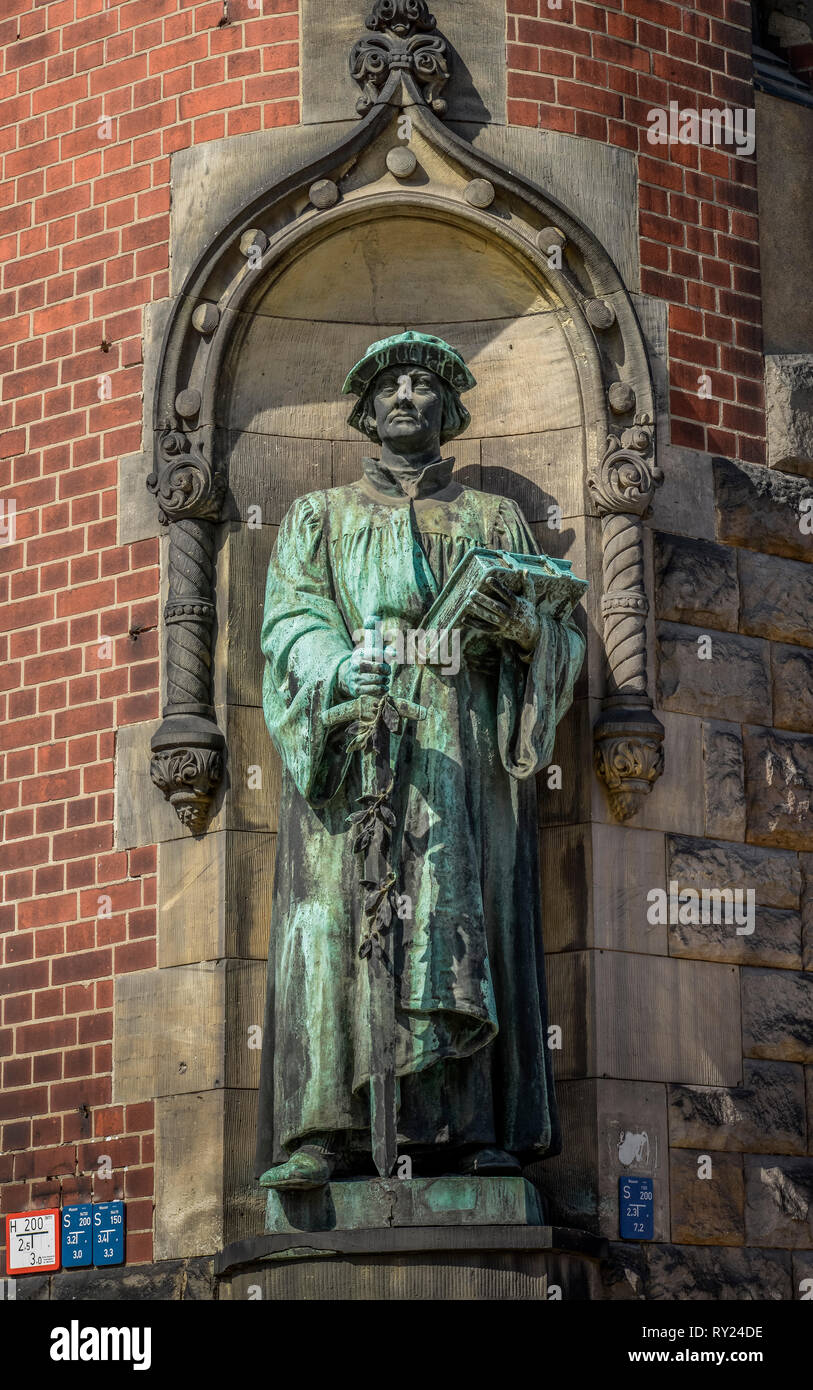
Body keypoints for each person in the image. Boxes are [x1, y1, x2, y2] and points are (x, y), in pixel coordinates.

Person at [255, 331, 585, 1190]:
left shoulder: (492, 519)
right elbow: (288, 623)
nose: (407, 395)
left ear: (449, 409)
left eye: (425, 384)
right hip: (354, 739)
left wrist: (522, 631)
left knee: (456, 919)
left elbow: (554, 630)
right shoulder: (316, 516)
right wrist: (334, 666)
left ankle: (472, 1128)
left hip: (462, 747)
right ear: (365, 412)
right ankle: (325, 1132)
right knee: (331, 923)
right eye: (391, 385)